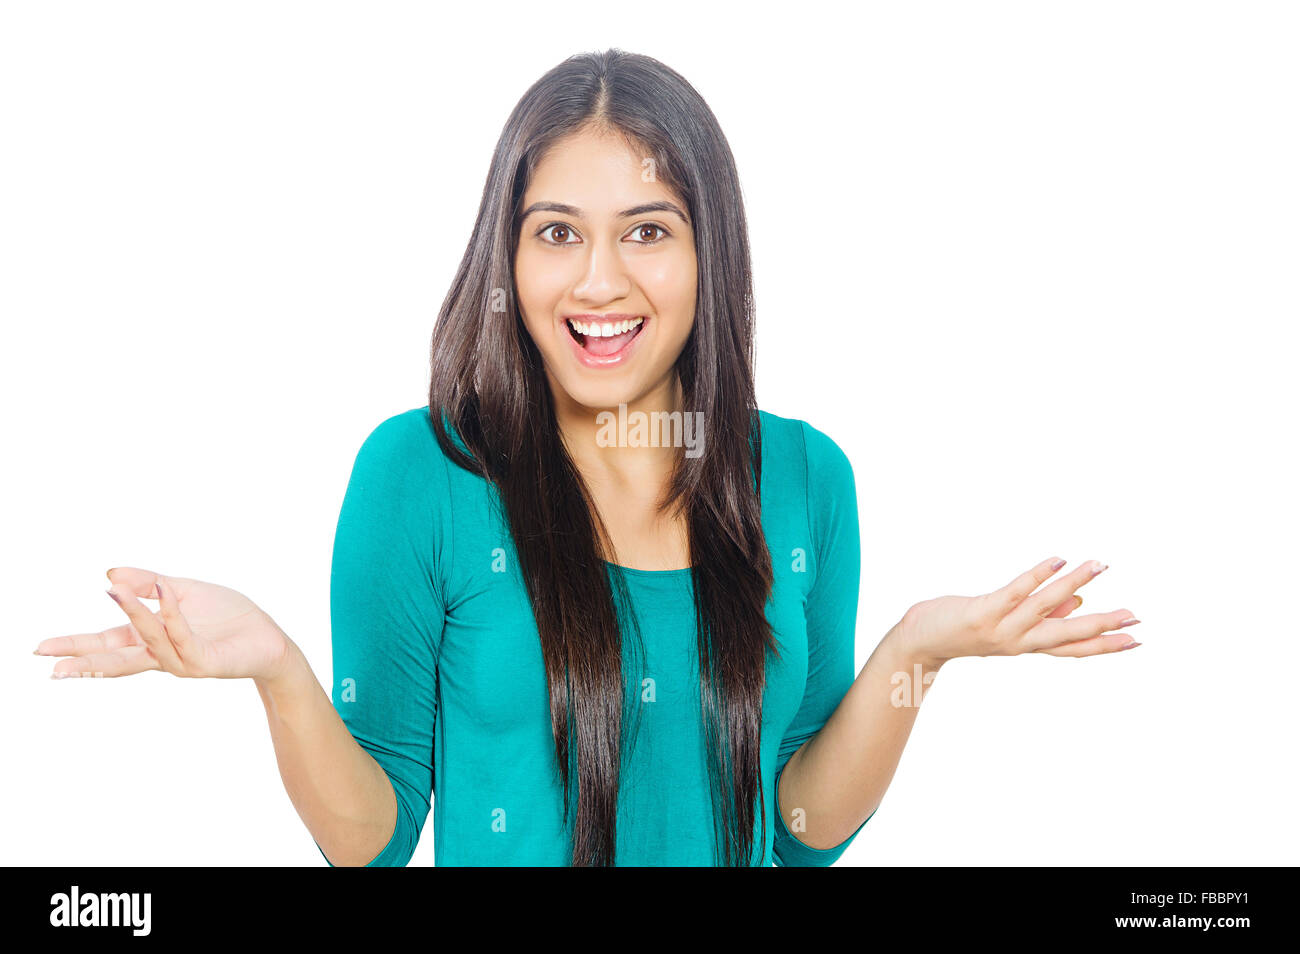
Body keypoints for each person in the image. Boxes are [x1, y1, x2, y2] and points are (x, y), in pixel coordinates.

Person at [35, 49, 1141, 866]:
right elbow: (369, 839)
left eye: (649, 230)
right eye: (557, 231)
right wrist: (278, 668)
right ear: (507, 256)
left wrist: (922, 649)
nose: (598, 281)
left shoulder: (806, 478)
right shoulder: (422, 475)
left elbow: (798, 827)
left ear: (711, 250)